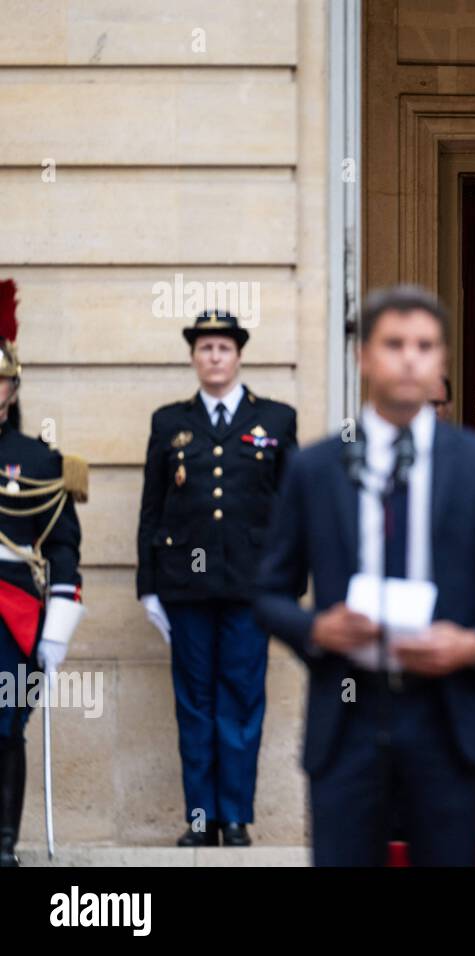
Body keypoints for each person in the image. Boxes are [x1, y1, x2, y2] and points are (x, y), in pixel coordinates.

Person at [255, 284, 475, 866]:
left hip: (448, 721)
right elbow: (267, 593)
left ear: (441, 361)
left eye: (425, 345)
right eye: (394, 344)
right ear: (364, 357)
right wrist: (317, 631)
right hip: (346, 719)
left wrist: (473, 643)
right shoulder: (315, 466)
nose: (410, 357)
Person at [136, 310, 298, 848]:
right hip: (185, 586)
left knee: (242, 699)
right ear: (193, 357)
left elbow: (292, 510)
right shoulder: (169, 422)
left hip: (251, 588)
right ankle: (201, 820)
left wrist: (290, 582)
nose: (214, 357)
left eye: (223, 348)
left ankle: (235, 817)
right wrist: (148, 585)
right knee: (194, 704)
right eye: (205, 348)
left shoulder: (276, 420)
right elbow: (152, 508)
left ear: (238, 355)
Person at [0, 280, 87, 867]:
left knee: (5, 728)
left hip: (11, 615)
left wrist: (56, 626)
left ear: (11, 388)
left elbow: (62, 548)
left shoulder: (38, 459)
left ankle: (3, 844)